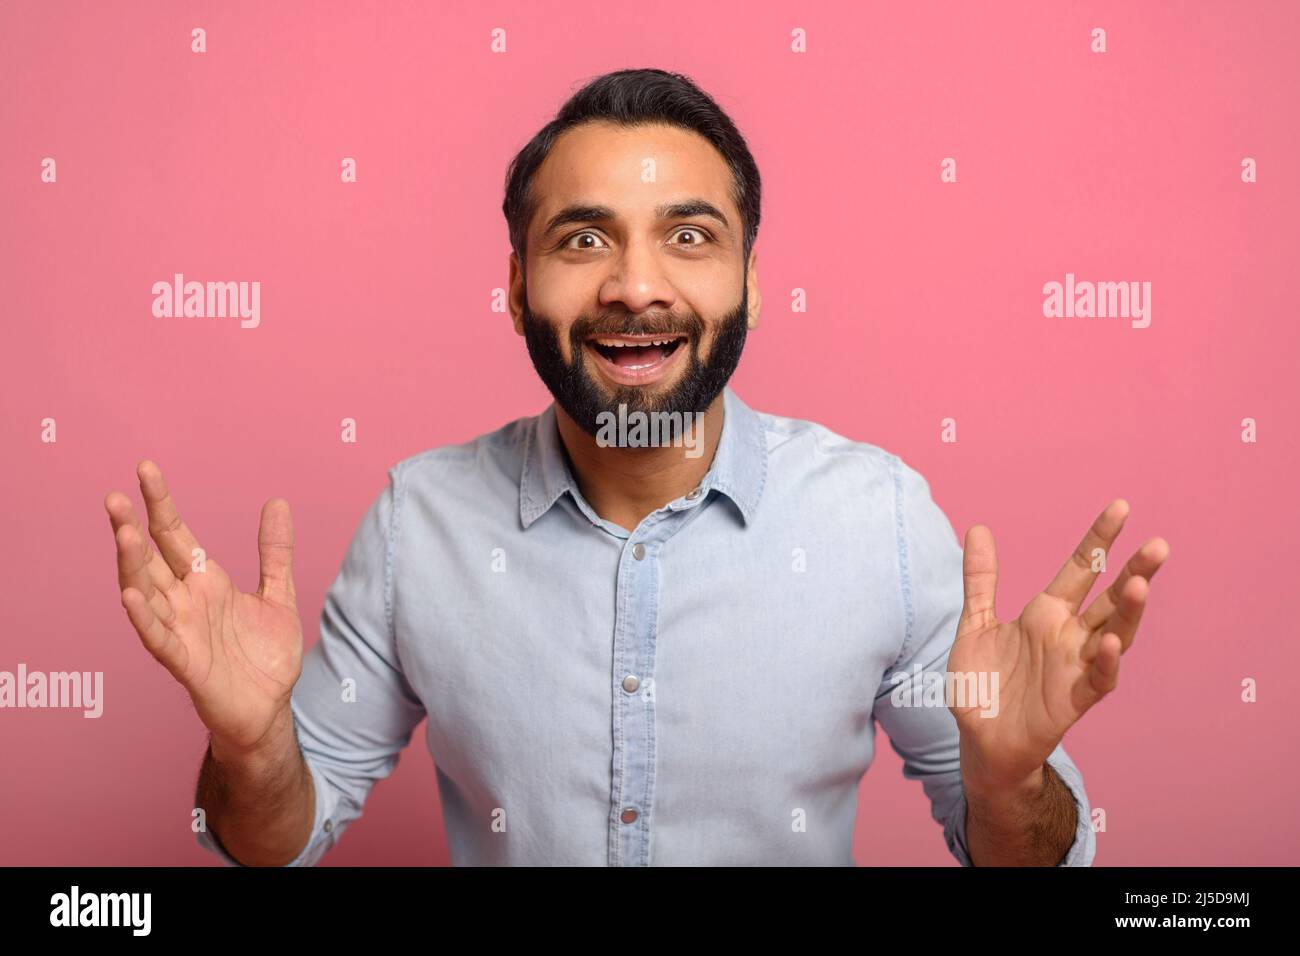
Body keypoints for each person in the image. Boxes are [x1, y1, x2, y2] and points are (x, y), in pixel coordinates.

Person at [104, 68, 1168, 867]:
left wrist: (1008, 775)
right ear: (518, 285)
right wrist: (249, 750)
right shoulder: (416, 520)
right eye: (581, 240)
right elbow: (269, 841)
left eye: (690, 236)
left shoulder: (876, 518)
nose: (634, 286)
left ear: (749, 281)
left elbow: (1030, 855)